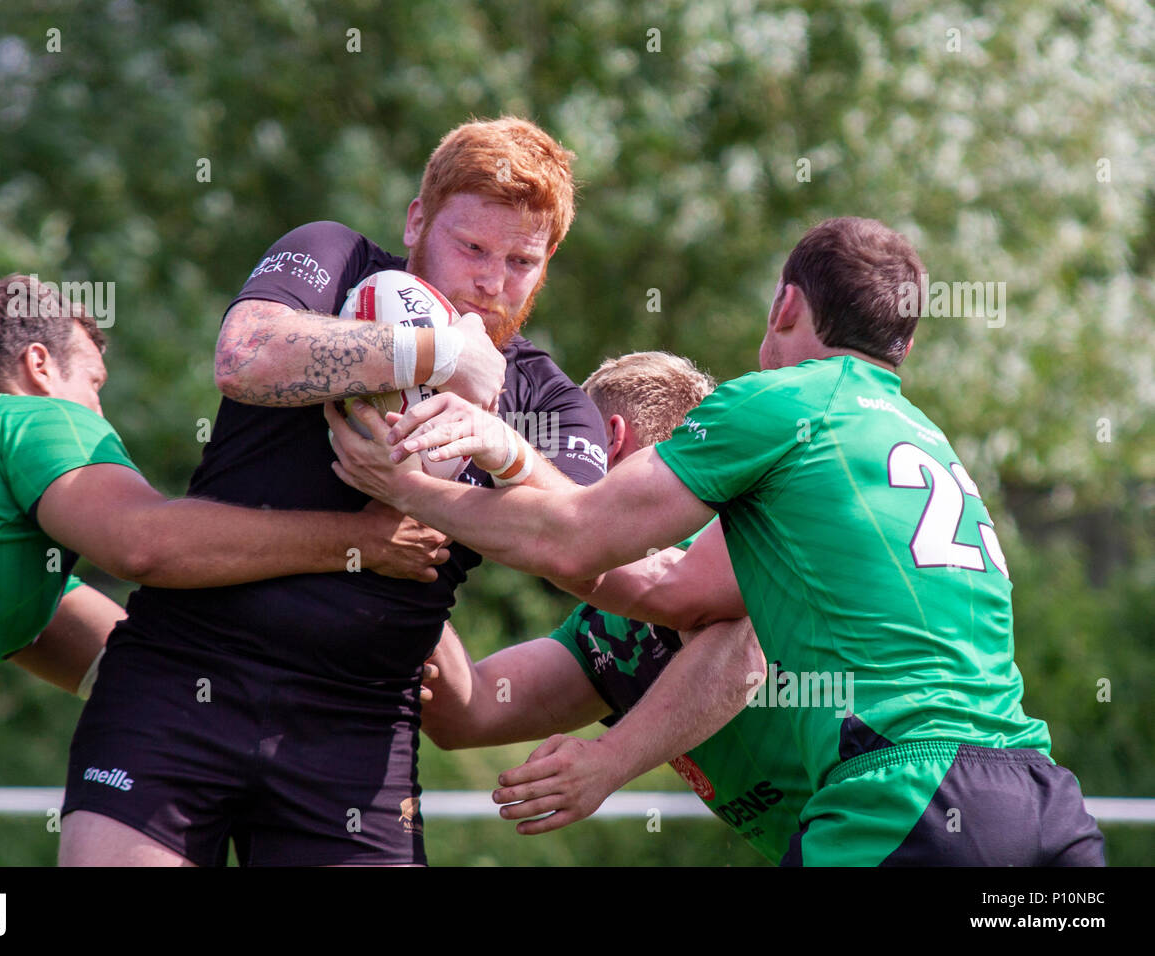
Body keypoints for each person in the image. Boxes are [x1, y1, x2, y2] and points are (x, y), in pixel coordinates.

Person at [331, 217, 1106, 866]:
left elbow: (586, 544)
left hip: (904, 798)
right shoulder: (918, 434)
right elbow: (635, 601)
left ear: (786, 306)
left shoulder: (781, 404)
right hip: (1039, 800)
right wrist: (392, 551)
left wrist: (419, 482)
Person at [59, 116, 611, 867]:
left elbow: (580, 545)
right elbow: (244, 355)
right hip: (181, 679)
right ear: (417, 220)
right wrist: (439, 351)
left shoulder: (546, 402)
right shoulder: (336, 255)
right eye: (472, 247)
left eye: (522, 259)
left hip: (357, 726)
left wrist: (501, 449)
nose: (492, 279)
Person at [0, 274, 444, 866]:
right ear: (39, 365)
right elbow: (145, 545)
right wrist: (365, 540)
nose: (98, 411)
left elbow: (117, 649)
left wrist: (323, 663)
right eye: (94, 384)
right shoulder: (32, 418)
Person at [418, 351, 805, 863]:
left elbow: (740, 658)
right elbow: (470, 712)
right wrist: (408, 573)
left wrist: (606, 762)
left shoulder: (725, 539)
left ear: (610, 438)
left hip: (903, 811)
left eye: (564, 434)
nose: (552, 453)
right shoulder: (609, 626)